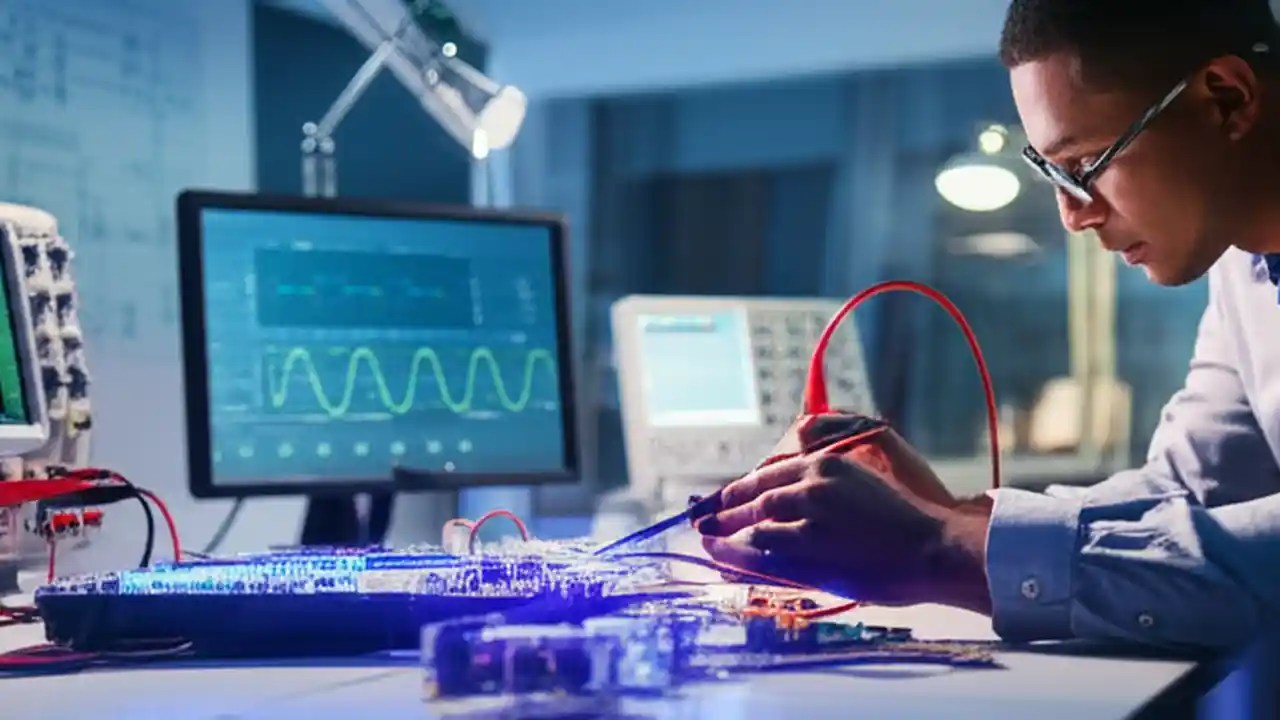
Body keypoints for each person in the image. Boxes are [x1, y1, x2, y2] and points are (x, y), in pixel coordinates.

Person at [694, 0, 1280, 651]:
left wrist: (940, 548)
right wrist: (951, 512)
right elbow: (1188, 490)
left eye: (1085, 164)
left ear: (1227, 101)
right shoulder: (1246, 272)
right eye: (1054, 175)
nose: (1073, 215)